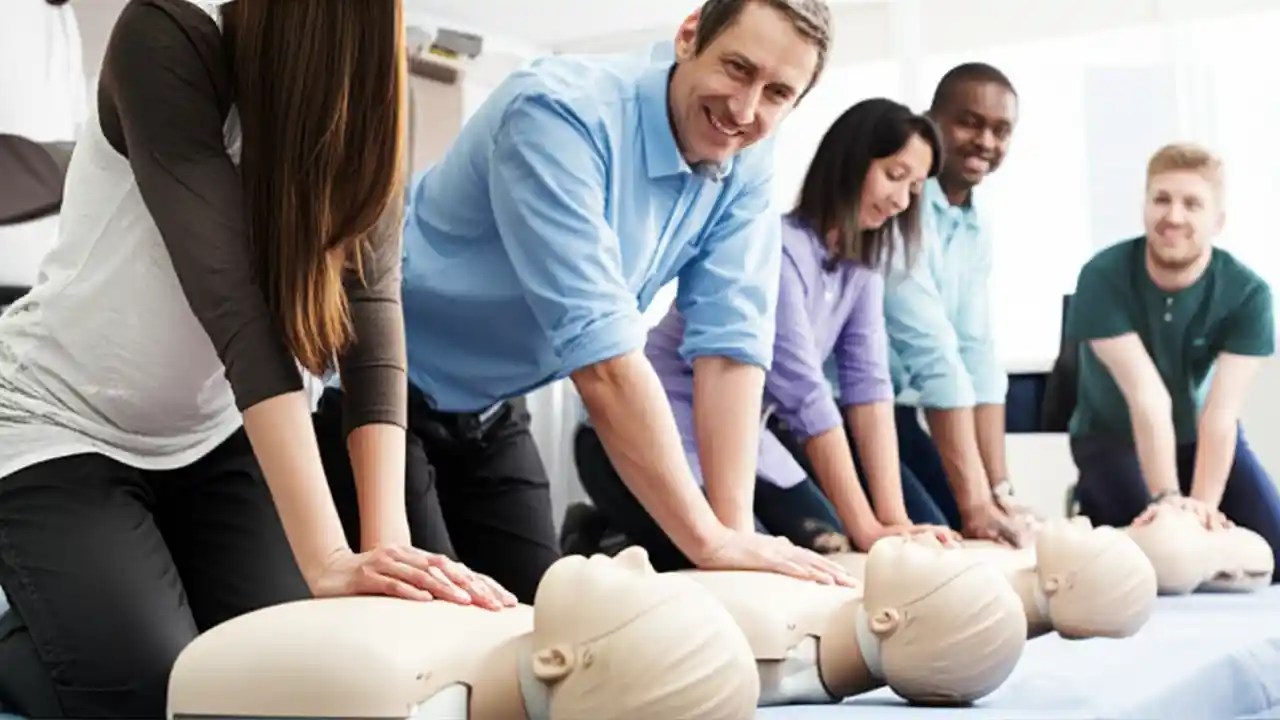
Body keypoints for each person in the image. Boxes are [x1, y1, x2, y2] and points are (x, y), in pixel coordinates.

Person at [0, 2, 513, 717]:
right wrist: (327, 557)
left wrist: (384, 544)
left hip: (212, 438)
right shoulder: (168, 33)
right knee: (159, 690)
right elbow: (235, 304)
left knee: (276, 678)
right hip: (64, 424)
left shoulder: (363, 71)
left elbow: (371, 306)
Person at [313, 0, 854, 596]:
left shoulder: (746, 156)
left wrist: (732, 539)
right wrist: (706, 540)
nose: (745, 109)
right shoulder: (556, 112)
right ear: (689, 36)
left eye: (778, 93)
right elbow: (601, 357)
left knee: (550, 625)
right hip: (386, 399)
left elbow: (730, 347)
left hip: (492, 411)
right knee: (445, 625)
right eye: (737, 68)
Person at [575, 98, 956, 564]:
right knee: (735, 563)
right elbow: (804, 396)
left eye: (914, 188)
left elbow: (869, 388)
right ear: (851, 160)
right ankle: (598, 534)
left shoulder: (862, 274)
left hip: (737, 437)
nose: (901, 200)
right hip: (647, 429)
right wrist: (868, 527)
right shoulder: (774, 247)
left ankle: (616, 530)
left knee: (828, 545)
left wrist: (891, 523)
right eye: (895, 176)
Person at [1064, 142, 1280, 579]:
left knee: (1274, 549)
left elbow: (1220, 414)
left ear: (1217, 221)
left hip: (1200, 437)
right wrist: (1168, 503)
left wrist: (1201, 509)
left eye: (1192, 204)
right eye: (1161, 199)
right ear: (1144, 206)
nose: (1174, 216)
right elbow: (1147, 398)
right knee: (1155, 563)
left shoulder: (1249, 294)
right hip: (1112, 438)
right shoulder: (1102, 276)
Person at [880, 62, 1030, 544]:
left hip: (902, 413)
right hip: (846, 411)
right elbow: (934, 351)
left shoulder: (977, 224)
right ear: (932, 122)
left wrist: (997, 490)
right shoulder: (899, 207)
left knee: (982, 528)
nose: (986, 142)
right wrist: (974, 503)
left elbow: (977, 355)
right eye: (969, 122)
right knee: (944, 534)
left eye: (1000, 130)